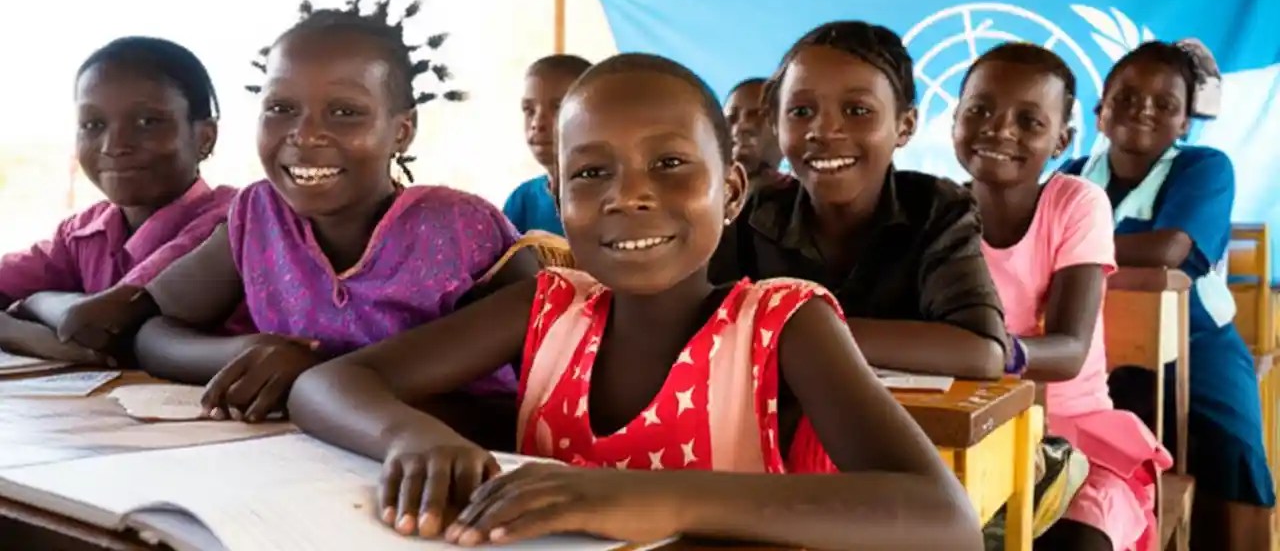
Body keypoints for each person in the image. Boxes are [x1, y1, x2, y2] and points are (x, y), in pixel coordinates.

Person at [288, 53, 980, 550]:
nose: (628, 194)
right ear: (558, 201)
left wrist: (647, 498)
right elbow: (330, 383)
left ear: (733, 192)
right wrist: (416, 436)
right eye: (591, 173)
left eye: (671, 163)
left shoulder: (781, 325)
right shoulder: (547, 307)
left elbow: (944, 520)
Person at [132, 0, 534, 422]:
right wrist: (251, 350)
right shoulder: (261, 217)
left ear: (402, 131)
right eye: (281, 108)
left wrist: (313, 376)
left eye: (345, 112)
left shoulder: (460, 228)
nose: (304, 134)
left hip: (440, 464)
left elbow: (524, 397)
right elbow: (153, 331)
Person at [954, 42, 1171, 551]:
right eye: (980, 110)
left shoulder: (1076, 202)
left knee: (1078, 542)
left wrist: (978, 352)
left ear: (1061, 141)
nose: (999, 129)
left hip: (1073, 436)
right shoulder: (943, 211)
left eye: (1029, 121)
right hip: (975, 428)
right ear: (954, 120)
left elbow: (1068, 351)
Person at [1062, 40, 1274, 549]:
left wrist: (1064, 244)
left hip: (1197, 339)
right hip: (1089, 343)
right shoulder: (1069, 178)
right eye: (1127, 96)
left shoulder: (1204, 168)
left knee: (1236, 446)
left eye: (1166, 103)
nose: (1144, 109)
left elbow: (1173, 248)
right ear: (1100, 111)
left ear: (1184, 124)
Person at [710, 21, 1009, 380]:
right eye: (801, 112)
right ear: (776, 124)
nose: (824, 131)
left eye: (857, 110)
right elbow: (710, 331)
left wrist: (794, 330)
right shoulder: (752, 215)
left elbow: (981, 351)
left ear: (905, 125)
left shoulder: (936, 209)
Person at [0, 37, 235, 365]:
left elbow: (103, 328)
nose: (113, 145)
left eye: (146, 122)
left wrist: (32, 306)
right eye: (93, 125)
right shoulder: (83, 232)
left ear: (205, 138)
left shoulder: (231, 223)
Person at [503, 55, 591, 235]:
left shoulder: (616, 200)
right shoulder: (522, 202)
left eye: (558, 108)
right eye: (529, 110)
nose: (537, 122)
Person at [724, 77, 786, 194]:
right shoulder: (696, 196)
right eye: (731, 118)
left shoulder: (806, 201)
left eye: (758, 116)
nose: (742, 127)